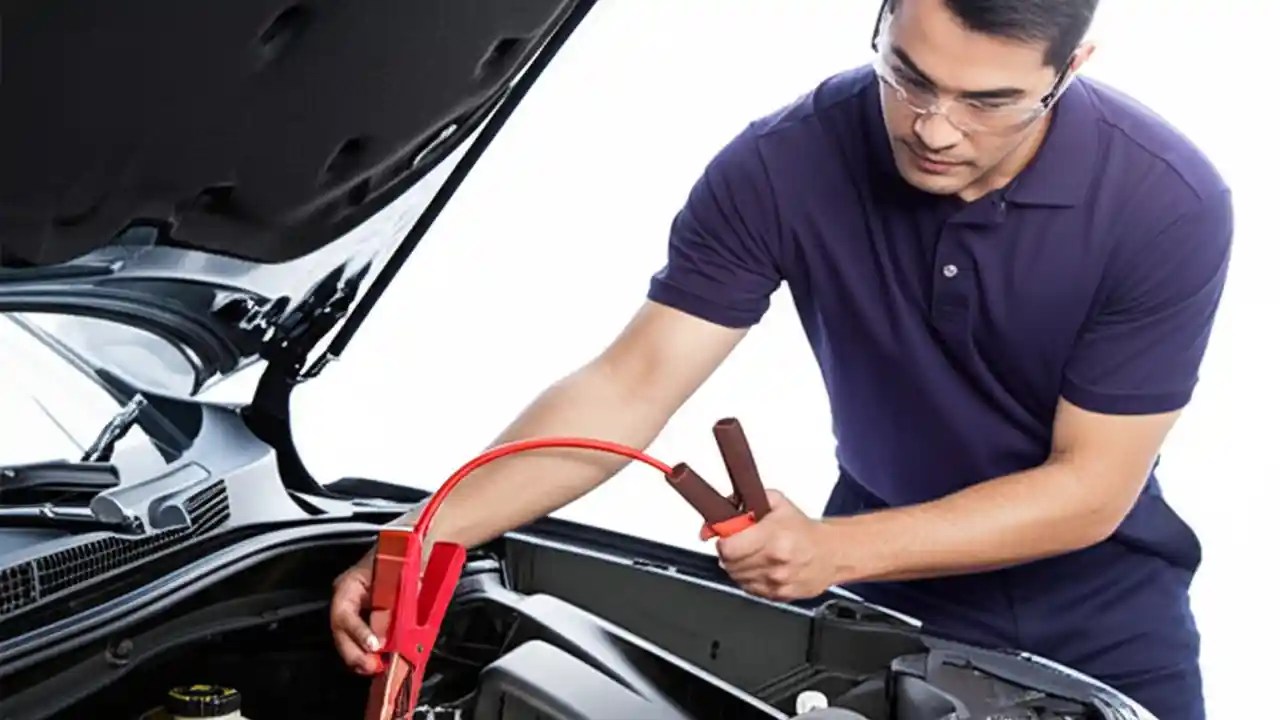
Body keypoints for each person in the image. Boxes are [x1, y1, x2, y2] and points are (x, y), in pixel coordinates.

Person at [331, 0, 1232, 717]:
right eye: (908, 76)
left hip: (1099, 607)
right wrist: (423, 535)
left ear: (1070, 70)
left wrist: (834, 549)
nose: (935, 129)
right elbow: (627, 386)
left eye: (988, 102)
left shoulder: (1168, 202)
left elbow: (1089, 488)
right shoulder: (782, 163)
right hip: (876, 598)